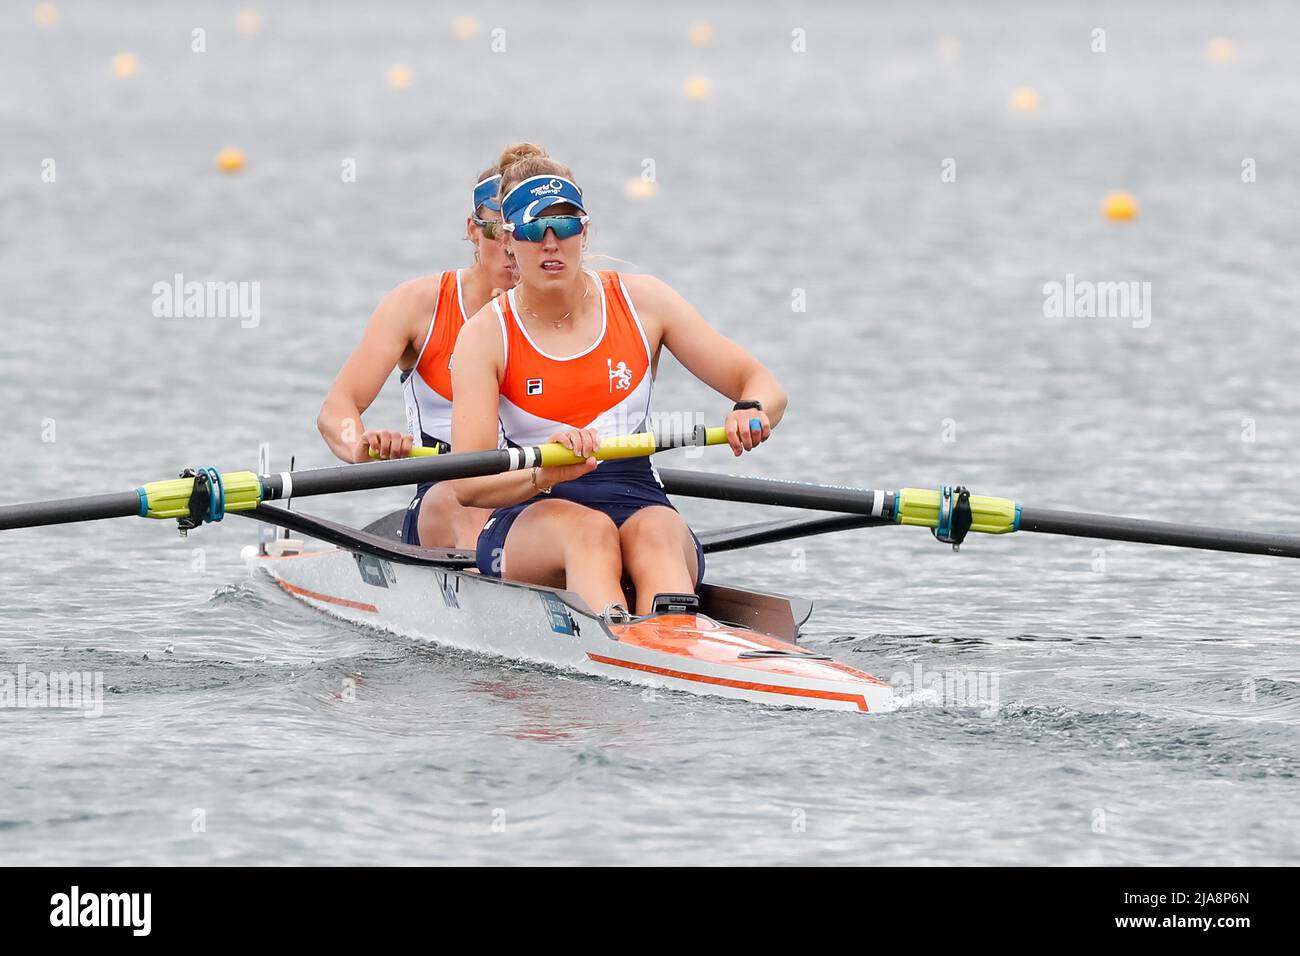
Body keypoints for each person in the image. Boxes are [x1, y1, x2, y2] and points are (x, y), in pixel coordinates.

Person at [450, 143, 786, 617]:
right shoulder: (485, 335)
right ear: (508, 239)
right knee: (590, 534)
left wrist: (752, 410)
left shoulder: (645, 303)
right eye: (532, 226)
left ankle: (671, 652)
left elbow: (762, 384)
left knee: (660, 535)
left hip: (637, 495)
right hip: (532, 511)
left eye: (565, 224)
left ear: (584, 231)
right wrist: (546, 473)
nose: (551, 241)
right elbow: (468, 483)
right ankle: (623, 658)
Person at [317, 166, 516, 548]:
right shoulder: (418, 305)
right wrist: (358, 445)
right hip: (449, 500)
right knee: (465, 503)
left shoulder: (566, 312)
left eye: (521, 232)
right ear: (473, 230)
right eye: (496, 230)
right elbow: (336, 408)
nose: (509, 247)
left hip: (538, 491)